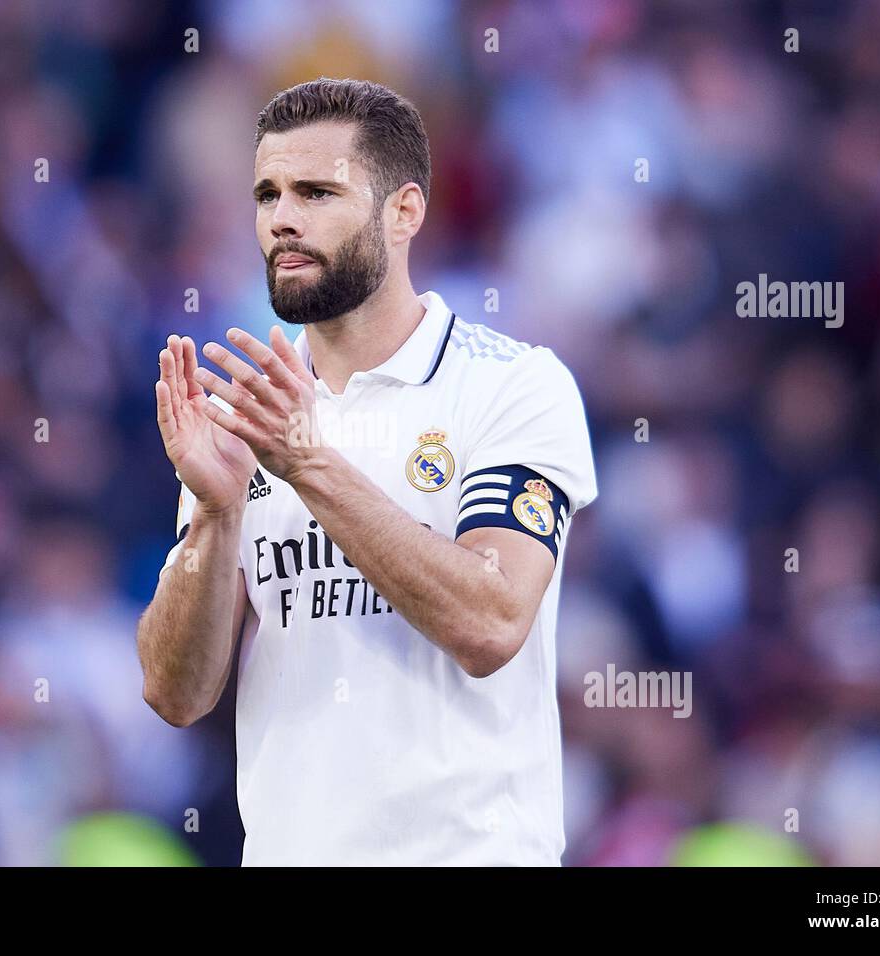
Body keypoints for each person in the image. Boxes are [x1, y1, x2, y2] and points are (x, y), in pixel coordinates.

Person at [138, 77, 597, 865]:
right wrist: (215, 516)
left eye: (317, 192)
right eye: (268, 193)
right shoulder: (246, 416)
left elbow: (490, 623)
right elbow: (177, 694)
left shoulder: (512, 385)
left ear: (404, 211)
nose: (283, 218)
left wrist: (310, 465)